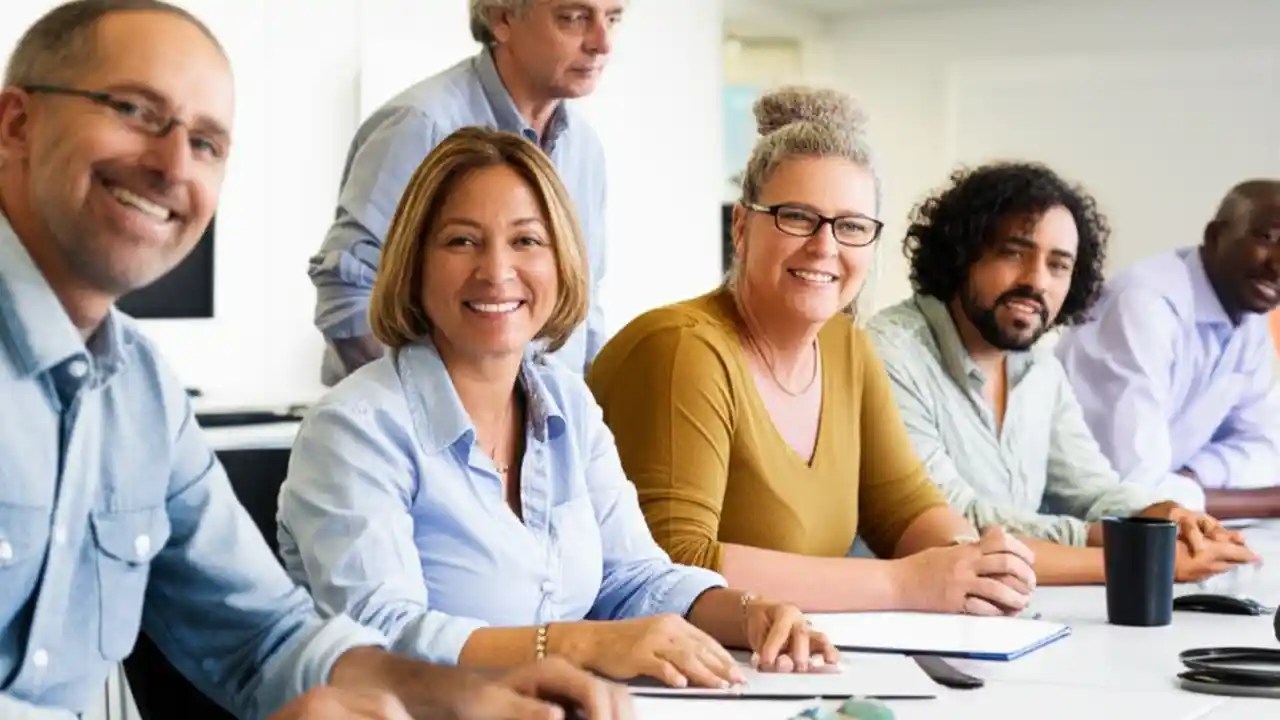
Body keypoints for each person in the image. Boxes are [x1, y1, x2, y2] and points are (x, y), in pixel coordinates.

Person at [0, 3, 630, 719]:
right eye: (135, 112)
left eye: (206, 143)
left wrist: (466, 695)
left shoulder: (140, 393)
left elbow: (266, 639)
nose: (173, 165)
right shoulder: (367, 418)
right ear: (16, 124)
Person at [279, 125, 837, 687]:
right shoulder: (354, 429)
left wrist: (750, 613)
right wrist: (581, 643)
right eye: (462, 241)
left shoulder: (565, 401)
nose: (496, 272)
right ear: (415, 263)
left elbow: (633, 579)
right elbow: (382, 636)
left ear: (561, 261)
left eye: (526, 241)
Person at [586, 87, 1038, 615]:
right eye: (797, 217)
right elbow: (674, 564)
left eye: (851, 226)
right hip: (683, 659)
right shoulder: (681, 350)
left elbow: (905, 508)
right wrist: (903, 583)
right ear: (741, 227)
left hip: (794, 653)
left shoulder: (847, 346)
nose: (825, 246)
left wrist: (971, 561)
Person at [866, 162, 1256, 584]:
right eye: (1014, 252)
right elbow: (953, 521)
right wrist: (1131, 549)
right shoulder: (891, 352)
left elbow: (1091, 490)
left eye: (1058, 265)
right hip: (903, 611)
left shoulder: (1040, 366)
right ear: (960, 254)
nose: (1036, 281)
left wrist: (1161, 515)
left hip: (1013, 605)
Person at [309, 0, 623, 385]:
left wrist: (592, 406)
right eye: (573, 18)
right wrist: (434, 409)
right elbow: (347, 295)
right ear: (502, 18)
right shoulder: (421, 124)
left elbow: (585, 303)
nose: (602, 43)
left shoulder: (585, 148)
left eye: (612, 18)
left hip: (547, 420)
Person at [1057, 180, 1280, 519]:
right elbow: (1133, 490)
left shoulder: (1249, 322)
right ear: (1215, 236)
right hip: (1079, 523)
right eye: (1268, 237)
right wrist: (1269, 503)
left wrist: (1191, 478)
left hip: (1159, 518)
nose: (1277, 264)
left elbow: (1267, 450)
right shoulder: (1144, 304)